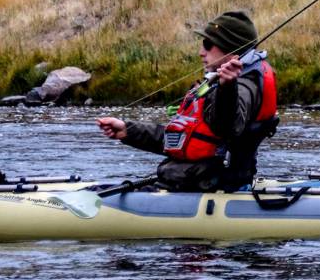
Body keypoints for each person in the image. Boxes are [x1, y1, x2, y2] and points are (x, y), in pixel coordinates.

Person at [96, 10, 279, 192]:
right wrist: (128, 131)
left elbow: (227, 127)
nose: (201, 52)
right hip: (194, 182)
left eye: (208, 45)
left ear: (231, 50)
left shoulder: (245, 86)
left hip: (213, 187)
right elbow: (184, 139)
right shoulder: (218, 82)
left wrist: (227, 88)